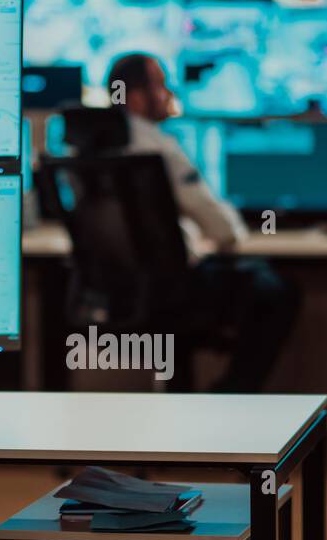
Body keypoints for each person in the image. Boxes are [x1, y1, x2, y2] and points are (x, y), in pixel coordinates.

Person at [105, 53, 300, 392]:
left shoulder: (88, 144)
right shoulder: (157, 145)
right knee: (277, 291)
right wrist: (225, 238)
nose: (169, 95)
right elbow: (221, 228)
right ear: (136, 96)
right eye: (161, 86)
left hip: (111, 292)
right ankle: (230, 395)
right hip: (168, 291)